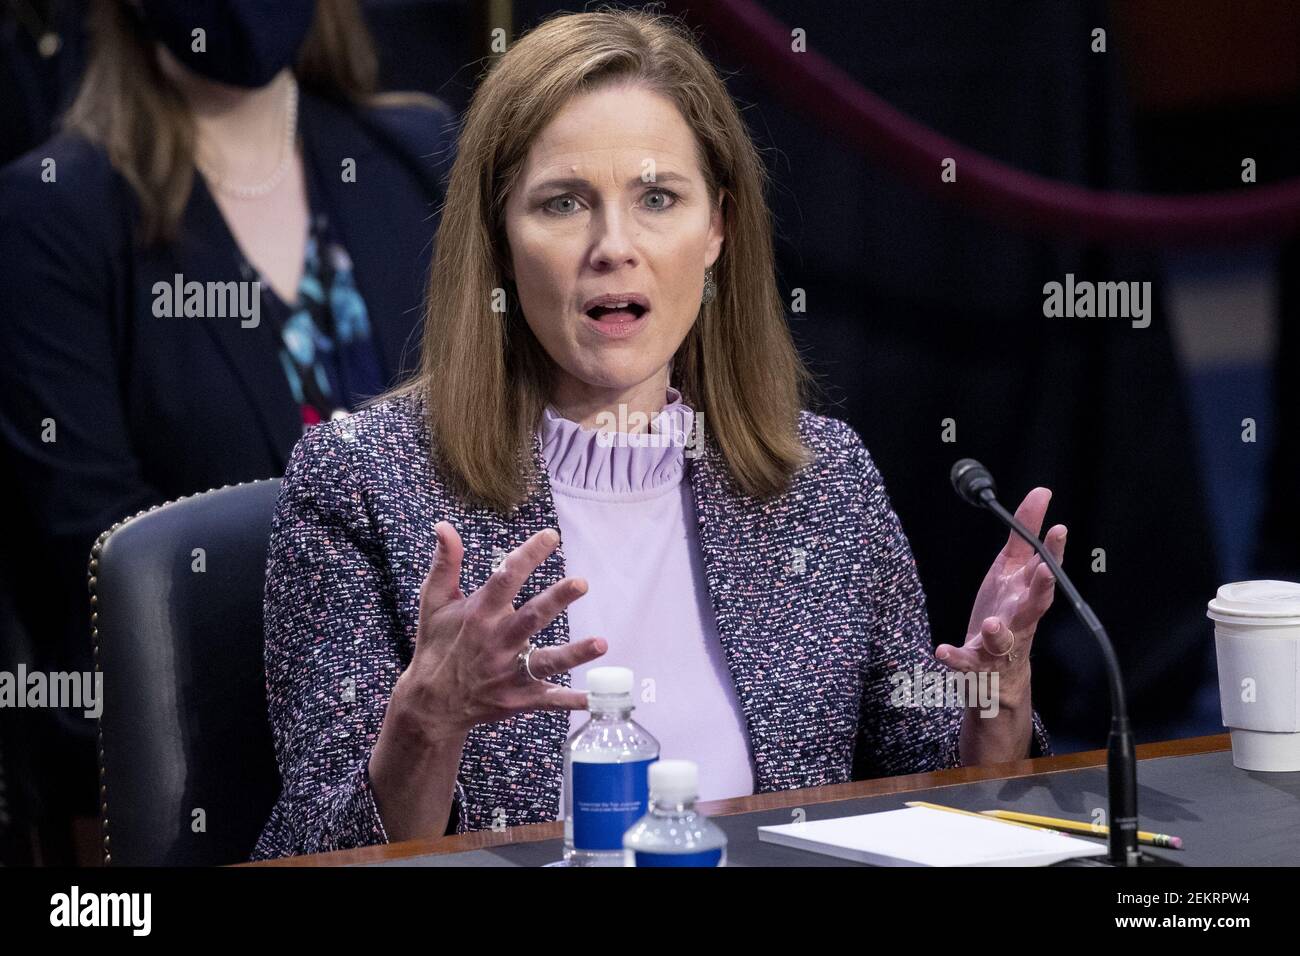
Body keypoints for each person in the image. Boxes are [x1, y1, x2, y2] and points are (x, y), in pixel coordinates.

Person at [250, 7, 1066, 860]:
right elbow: (310, 850)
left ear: (717, 228)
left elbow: (921, 793)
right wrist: (427, 722)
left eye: (657, 199)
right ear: (496, 239)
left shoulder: (823, 480)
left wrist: (989, 708)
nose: (614, 246)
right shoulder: (362, 485)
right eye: (564, 203)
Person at [0, 0, 455, 863]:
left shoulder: (415, 152)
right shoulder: (54, 214)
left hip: (466, 745)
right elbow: (98, 545)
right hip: (206, 757)